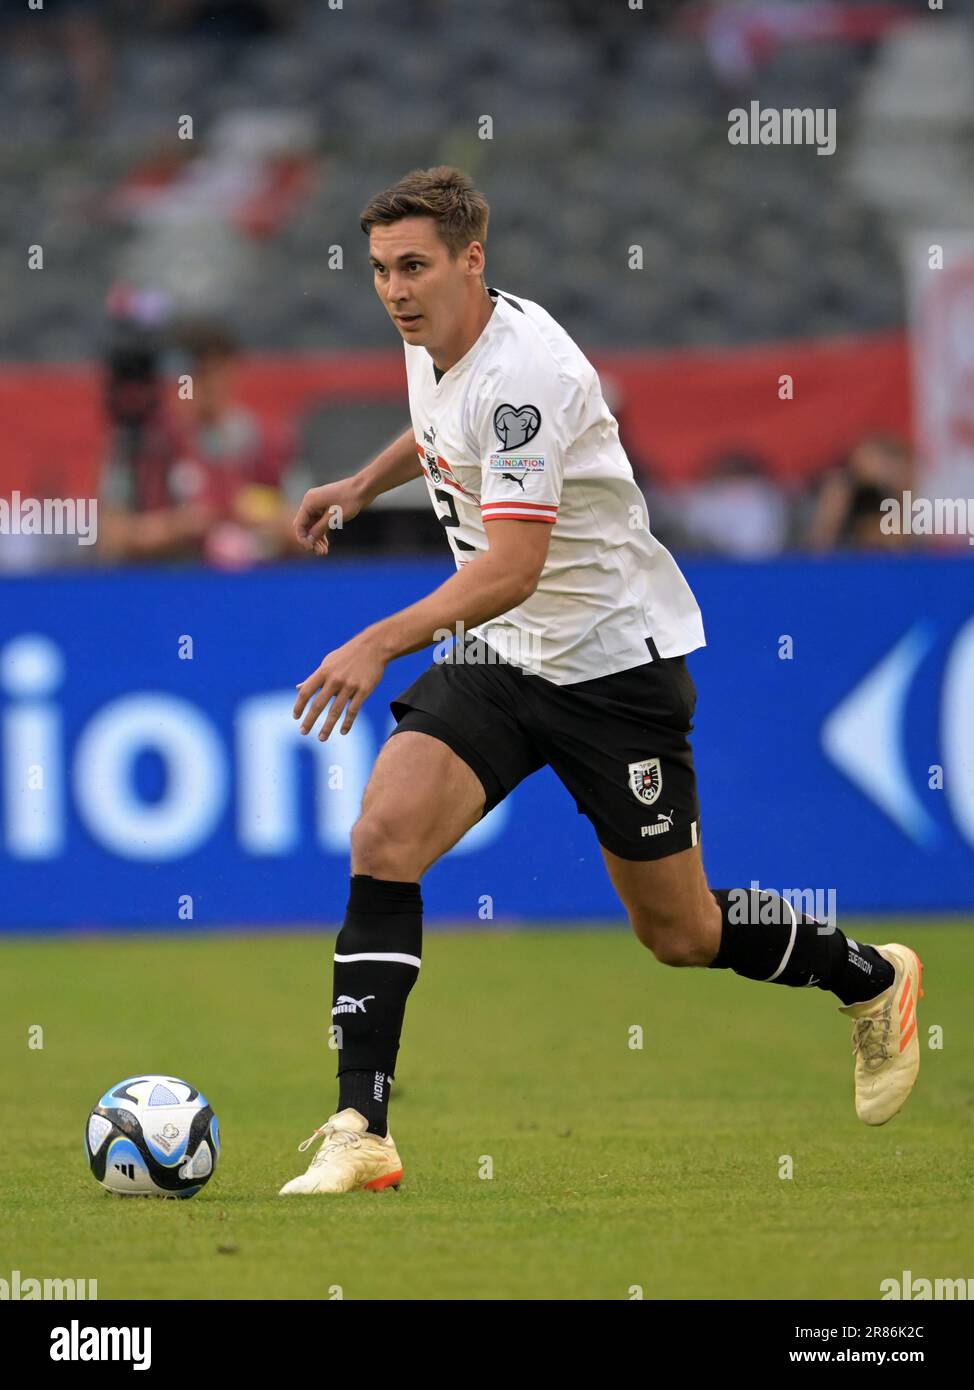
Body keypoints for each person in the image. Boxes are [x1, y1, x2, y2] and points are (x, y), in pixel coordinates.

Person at [279, 167, 922, 1196]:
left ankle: (870, 977)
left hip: (607, 669)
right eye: (378, 271)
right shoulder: (438, 341)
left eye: (413, 267)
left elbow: (512, 566)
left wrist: (377, 641)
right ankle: (362, 1125)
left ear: (470, 260)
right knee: (384, 836)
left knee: (679, 932)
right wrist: (362, 481)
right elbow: (447, 429)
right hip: (501, 656)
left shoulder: (526, 370)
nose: (393, 291)